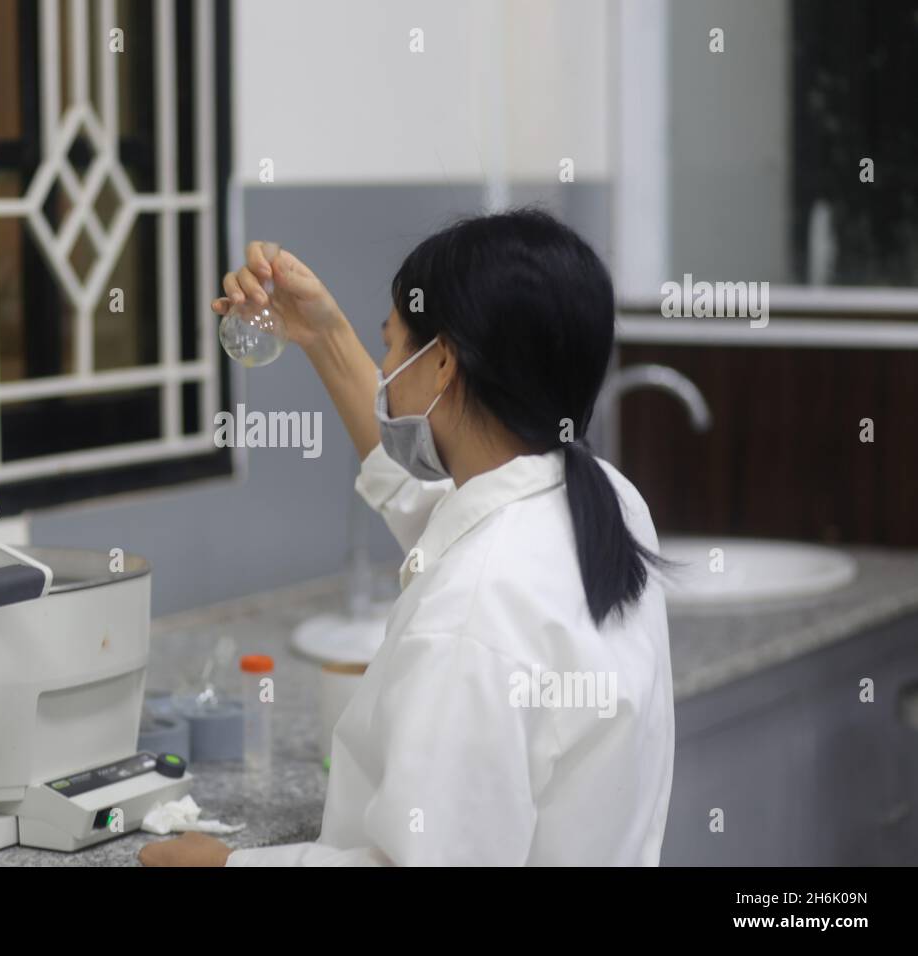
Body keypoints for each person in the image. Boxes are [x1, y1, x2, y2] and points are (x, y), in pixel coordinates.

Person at [139, 209, 674, 867]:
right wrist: (324, 336)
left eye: (391, 346)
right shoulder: (607, 502)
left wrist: (224, 866)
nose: (386, 372)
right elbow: (441, 512)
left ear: (443, 361)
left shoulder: (473, 615)